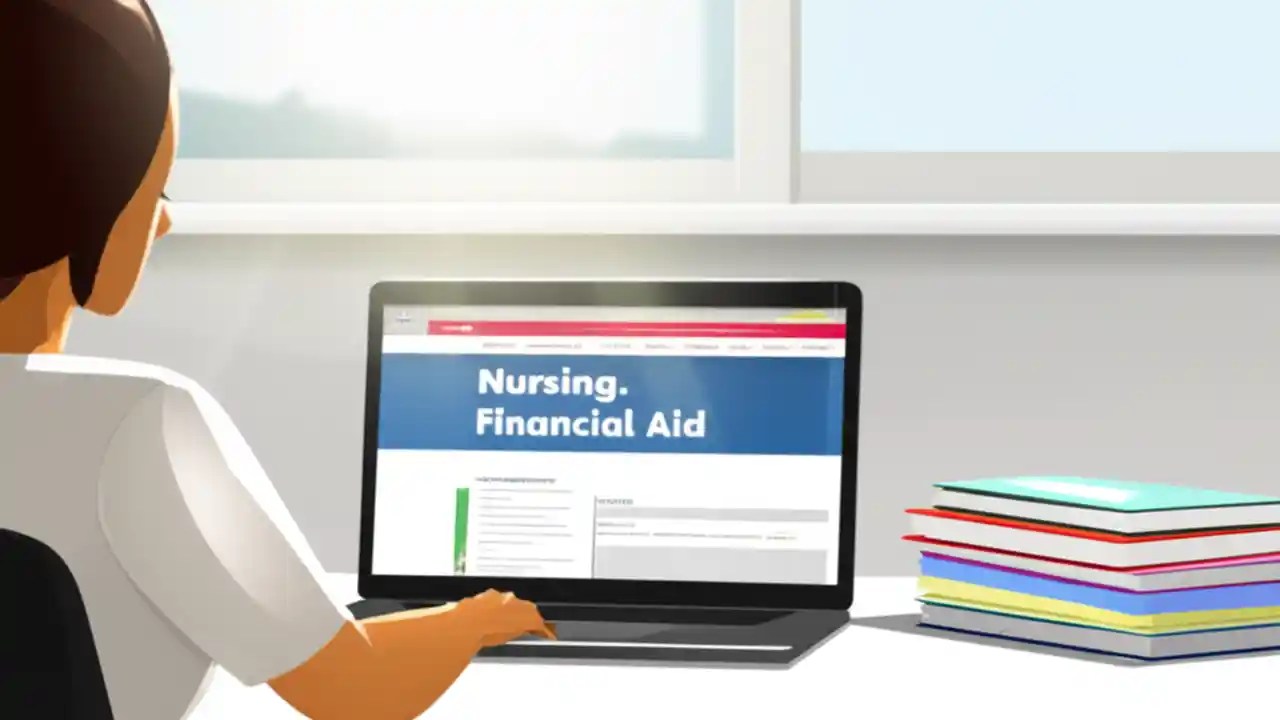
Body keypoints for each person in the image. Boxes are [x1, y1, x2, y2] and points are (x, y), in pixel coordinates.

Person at [0, 1, 555, 718]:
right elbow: (357, 691)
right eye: (155, 186)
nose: (163, 220)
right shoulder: (134, 427)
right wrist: (481, 616)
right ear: (78, 194)